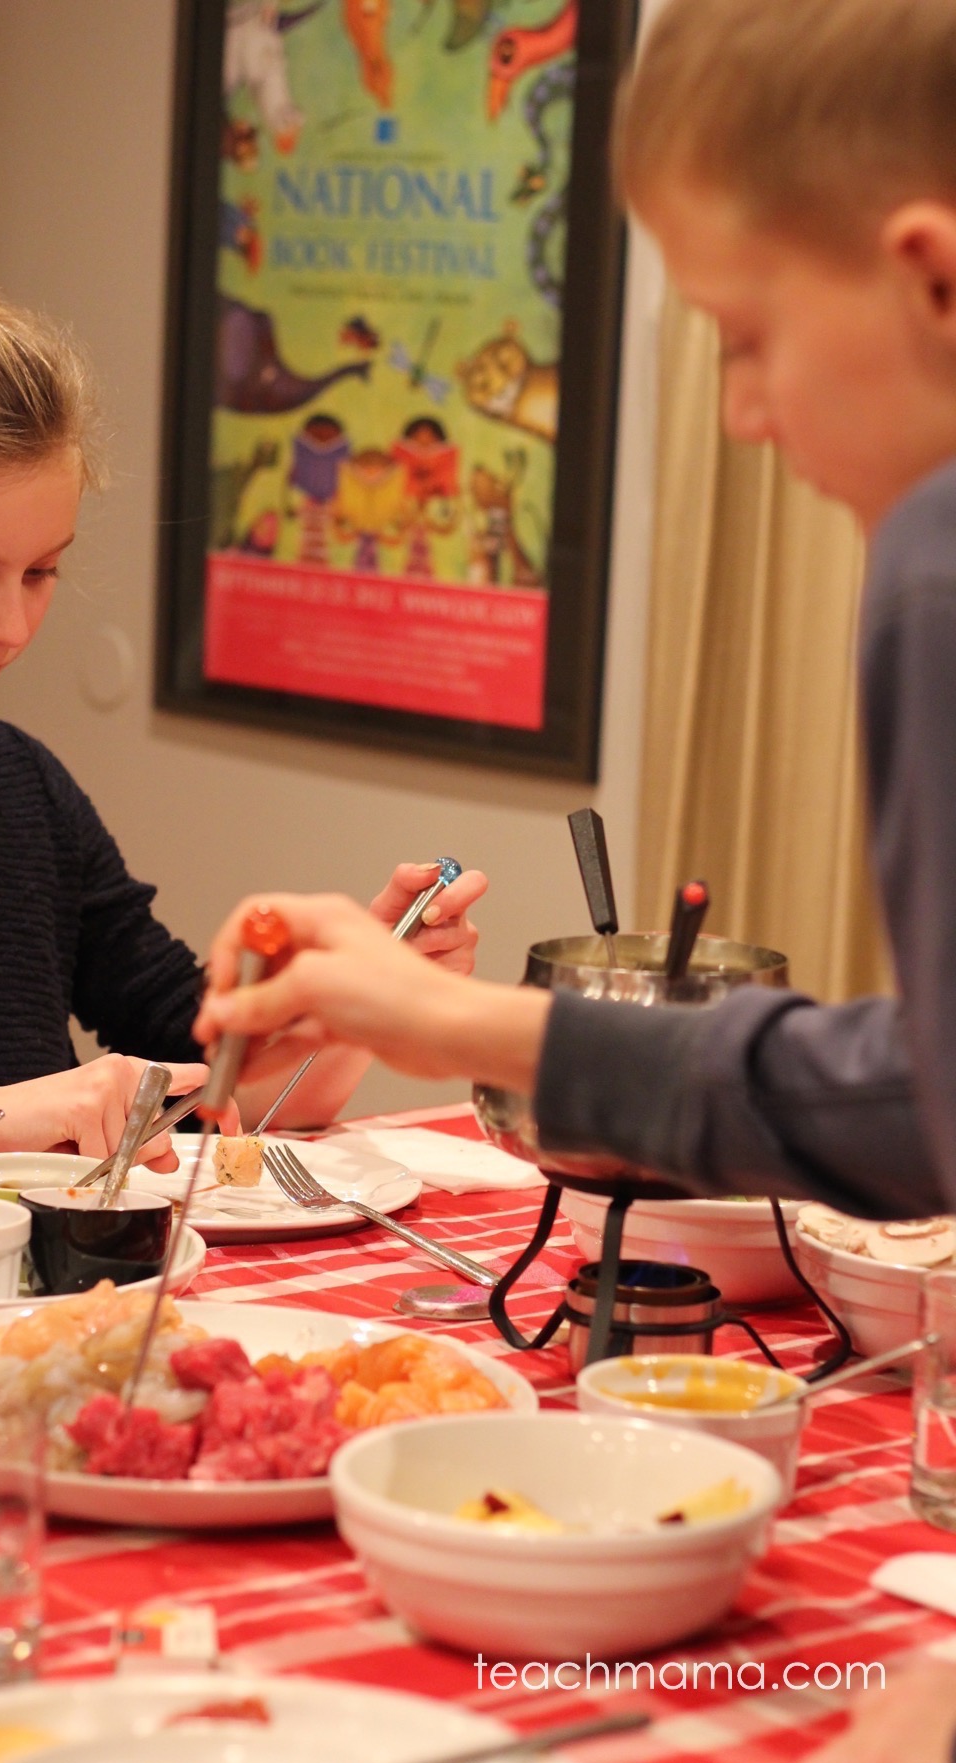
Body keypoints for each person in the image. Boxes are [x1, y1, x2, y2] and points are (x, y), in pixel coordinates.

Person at [198, 0, 956, 1228]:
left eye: (745, 337)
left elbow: (928, 1107)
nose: (742, 413)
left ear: (929, 277)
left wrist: (462, 1026)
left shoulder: (934, 560)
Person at [0, 257, 486, 1169]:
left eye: (41, 572)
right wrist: (9, 1113)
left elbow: (224, 1095)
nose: (11, 624)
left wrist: (358, 1003)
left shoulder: (24, 786)